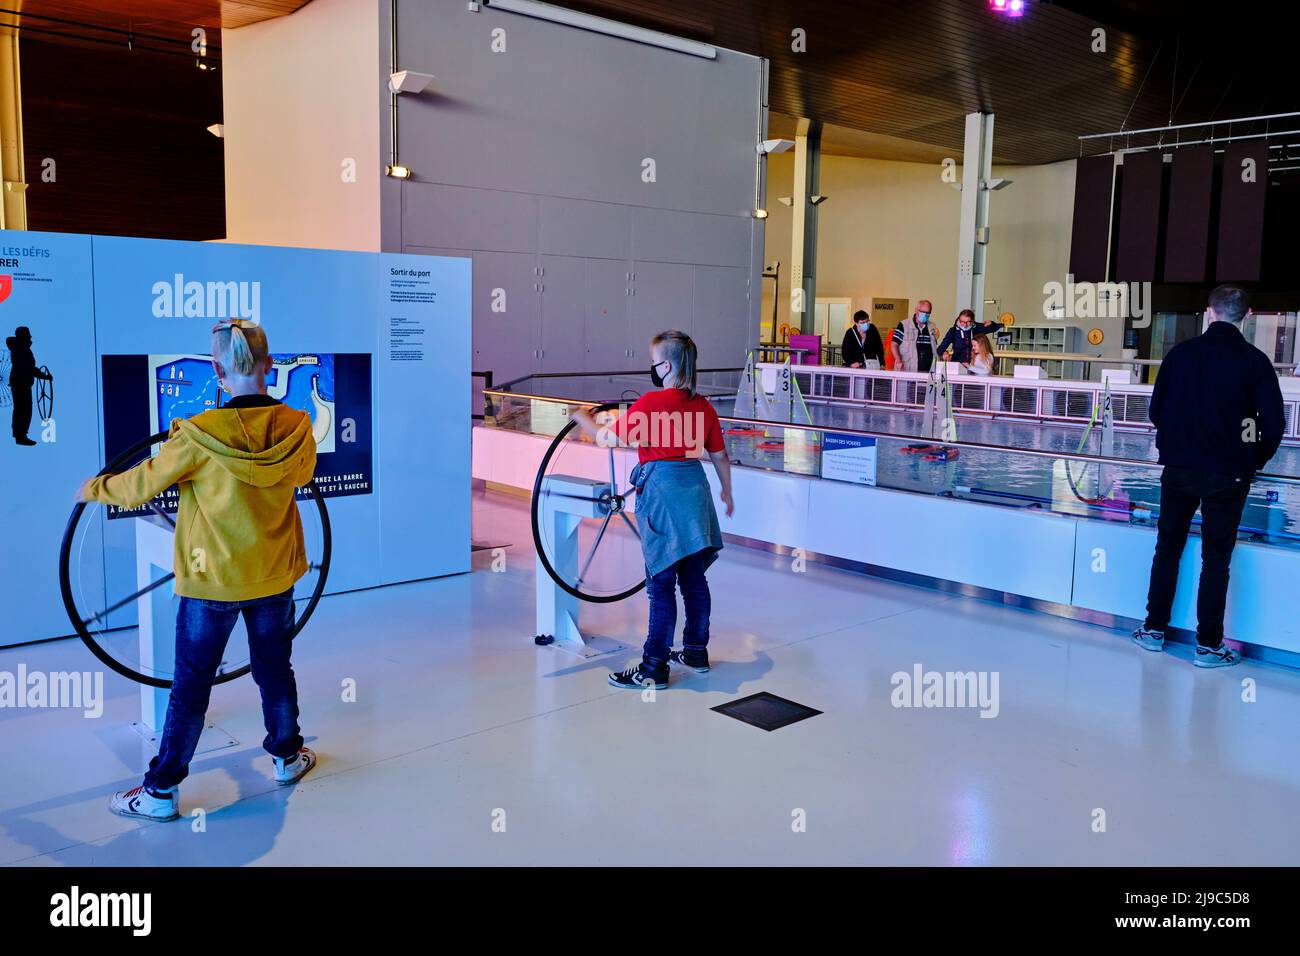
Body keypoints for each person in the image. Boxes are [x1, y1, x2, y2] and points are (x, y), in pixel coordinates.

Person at [79, 319, 319, 820]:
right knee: (275, 669)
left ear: (217, 371)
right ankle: (286, 756)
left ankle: (161, 792)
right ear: (268, 365)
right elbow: (300, 477)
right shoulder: (298, 427)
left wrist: (94, 488)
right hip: (274, 574)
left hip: (211, 581)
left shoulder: (198, 436)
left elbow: (139, 487)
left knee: (191, 684)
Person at [571, 330, 734, 690]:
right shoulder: (703, 406)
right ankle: (695, 652)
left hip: (663, 497)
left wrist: (581, 417)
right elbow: (720, 456)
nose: (653, 368)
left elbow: (607, 438)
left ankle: (654, 667)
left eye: (654, 362)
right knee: (694, 580)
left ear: (667, 365)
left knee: (660, 585)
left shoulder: (650, 403)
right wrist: (727, 492)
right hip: (696, 494)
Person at [1131, 285, 1285, 668]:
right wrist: (1253, 457)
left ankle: (1153, 630)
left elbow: (1156, 411)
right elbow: (1273, 425)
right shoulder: (1255, 362)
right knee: (1216, 558)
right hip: (1229, 474)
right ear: (1247, 316)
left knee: (1168, 548)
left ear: (1209, 311)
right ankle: (1209, 646)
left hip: (1179, 468)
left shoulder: (1180, 354)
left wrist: (1181, 441)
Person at [6, 325, 53, 446]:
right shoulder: (20, 349)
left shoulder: (23, 349)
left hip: (23, 383)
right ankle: (20, 435)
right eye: (27, 334)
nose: (30, 336)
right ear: (23, 336)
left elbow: (30, 368)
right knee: (22, 409)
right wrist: (43, 376)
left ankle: (21, 435)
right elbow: (29, 368)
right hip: (20, 383)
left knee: (24, 409)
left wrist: (43, 376)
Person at [889, 299, 942, 373]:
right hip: (908, 370)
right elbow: (894, 344)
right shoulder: (904, 325)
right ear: (916, 310)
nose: (925, 315)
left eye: (928, 313)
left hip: (929, 372)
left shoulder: (932, 327)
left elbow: (934, 348)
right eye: (923, 312)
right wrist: (898, 359)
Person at [937, 309, 1004, 365]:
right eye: (962, 322)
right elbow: (941, 348)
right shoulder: (953, 331)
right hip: (958, 364)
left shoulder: (976, 328)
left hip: (975, 364)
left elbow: (996, 327)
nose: (965, 325)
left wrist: (992, 323)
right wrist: (944, 353)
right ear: (959, 320)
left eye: (968, 322)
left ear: (972, 321)